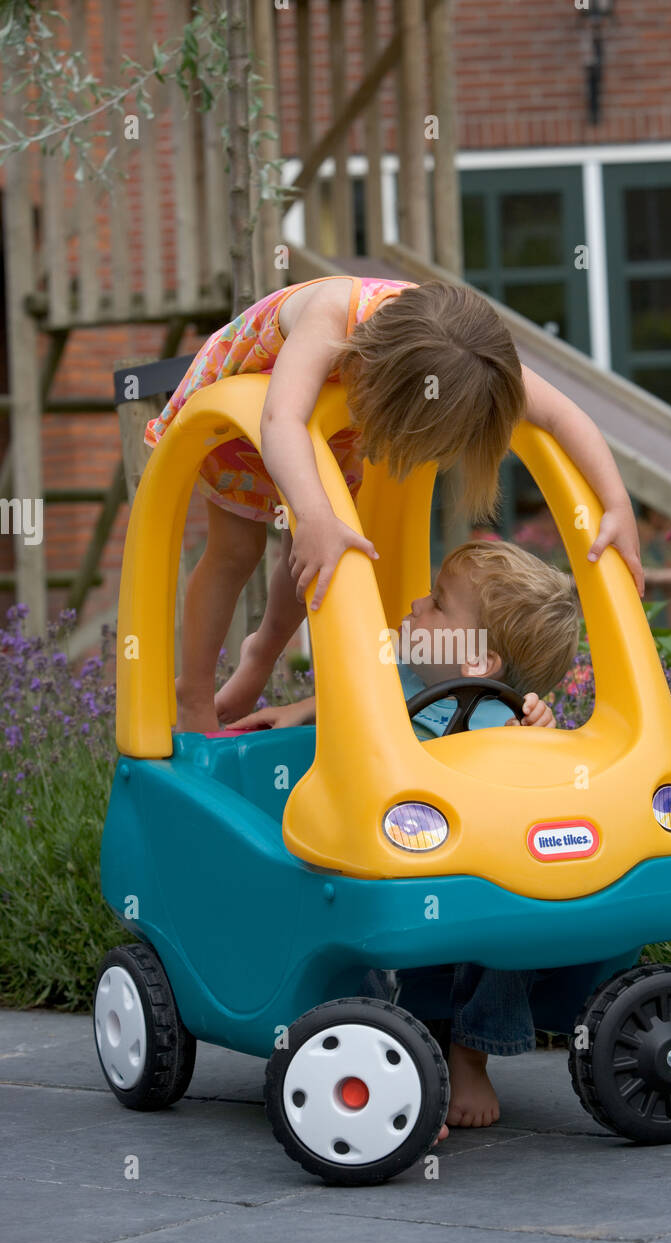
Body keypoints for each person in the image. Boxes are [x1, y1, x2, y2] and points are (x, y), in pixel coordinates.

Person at [144, 275, 644, 733]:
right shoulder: (332, 313)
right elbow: (281, 420)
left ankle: (260, 654)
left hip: (324, 430)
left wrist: (618, 504)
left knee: (316, 549)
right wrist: (315, 514)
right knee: (238, 549)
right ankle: (193, 693)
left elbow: (565, 417)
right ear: (378, 383)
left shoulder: (474, 357)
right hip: (253, 411)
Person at [227, 539, 583, 1136]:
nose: (419, 602)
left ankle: (472, 1053)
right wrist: (300, 711)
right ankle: (402, 1059)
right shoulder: (406, 673)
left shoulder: (514, 719)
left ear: (478, 662)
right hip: (398, 862)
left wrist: (542, 736)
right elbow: (361, 693)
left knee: (519, 931)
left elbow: (545, 792)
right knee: (370, 938)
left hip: (478, 876)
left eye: (439, 604)